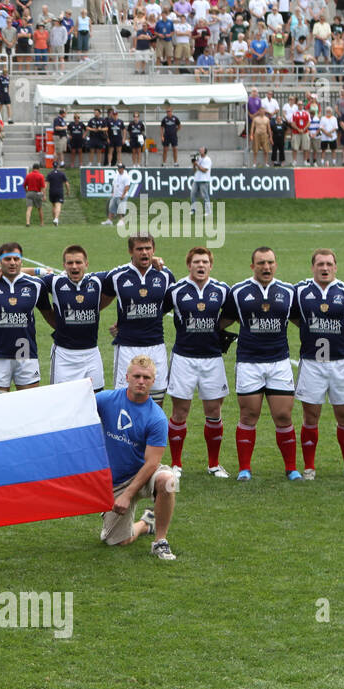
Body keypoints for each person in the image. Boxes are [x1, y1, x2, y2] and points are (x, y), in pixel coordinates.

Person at [219, 246, 301, 481]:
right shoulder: (238, 291)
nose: (266, 267)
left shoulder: (288, 292)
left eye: (270, 263)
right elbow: (223, 320)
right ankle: (245, 469)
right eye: (262, 263)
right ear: (252, 265)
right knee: (248, 415)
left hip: (279, 362)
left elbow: (300, 321)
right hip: (249, 362)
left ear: (276, 265)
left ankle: (291, 468)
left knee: (284, 416)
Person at [291, 249, 344, 480]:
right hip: (311, 363)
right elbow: (292, 316)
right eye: (320, 264)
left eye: (328, 264)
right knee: (310, 415)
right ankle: (309, 468)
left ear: (335, 267)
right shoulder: (299, 291)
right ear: (312, 267)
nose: (324, 268)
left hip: (340, 363)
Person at [96, 356, 179, 560]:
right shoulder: (106, 400)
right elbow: (77, 407)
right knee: (116, 541)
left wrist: (128, 495)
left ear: (153, 381)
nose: (141, 381)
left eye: (146, 377)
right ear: (127, 378)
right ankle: (146, 523)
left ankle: (160, 541)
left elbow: (152, 462)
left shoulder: (156, 418)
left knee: (168, 481)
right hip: (116, 480)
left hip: (143, 474)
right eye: (137, 376)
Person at [163, 246, 233, 478]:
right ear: (189, 265)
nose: (200, 266)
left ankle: (213, 464)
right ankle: (176, 464)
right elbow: (156, 313)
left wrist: (216, 328)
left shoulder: (222, 290)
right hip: (183, 357)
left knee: (213, 410)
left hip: (212, 358)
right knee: (180, 411)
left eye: (204, 262)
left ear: (210, 265)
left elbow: (233, 314)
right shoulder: (175, 290)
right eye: (196, 262)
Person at [101, 233, 175, 402]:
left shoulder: (165, 275)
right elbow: (99, 305)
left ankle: (151, 429)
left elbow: (167, 306)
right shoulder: (117, 276)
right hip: (127, 347)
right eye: (139, 249)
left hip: (156, 345)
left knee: (156, 400)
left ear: (154, 250)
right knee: (125, 399)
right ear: (130, 251)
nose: (144, 253)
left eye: (148, 248)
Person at [0, 242, 44, 392]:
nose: (13, 263)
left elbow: (50, 273)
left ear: (21, 260)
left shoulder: (36, 284)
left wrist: (36, 270)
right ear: (0, 261)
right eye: (7, 259)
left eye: (16, 259)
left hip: (27, 354)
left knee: (29, 407)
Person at [40, 245, 105, 390]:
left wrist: (154, 259)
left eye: (78, 262)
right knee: (62, 402)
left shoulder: (98, 281)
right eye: (70, 263)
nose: (74, 266)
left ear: (86, 264)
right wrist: (38, 271)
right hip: (64, 356)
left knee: (96, 401)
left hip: (92, 354)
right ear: (64, 265)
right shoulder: (55, 282)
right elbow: (21, 276)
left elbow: (126, 269)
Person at [46, 160, 69, 226]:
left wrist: (44, 193)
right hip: (59, 191)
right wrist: (68, 191)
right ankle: (56, 219)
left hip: (52, 191)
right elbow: (67, 184)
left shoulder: (50, 174)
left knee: (53, 206)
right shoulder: (62, 174)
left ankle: (55, 221)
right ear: (58, 166)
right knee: (58, 205)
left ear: (52, 166)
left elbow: (46, 184)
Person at [190, 147, 212, 216]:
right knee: (192, 194)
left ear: (205, 151)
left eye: (201, 150)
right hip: (196, 179)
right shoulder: (198, 159)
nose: (200, 150)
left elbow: (204, 170)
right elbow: (194, 170)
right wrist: (194, 164)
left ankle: (208, 211)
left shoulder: (208, 159)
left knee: (205, 196)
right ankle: (193, 209)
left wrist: (197, 164)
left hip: (204, 180)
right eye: (199, 149)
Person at [23, 162, 46, 226]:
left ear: (33, 168)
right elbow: (43, 187)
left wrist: (27, 191)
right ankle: (41, 223)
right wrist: (44, 195)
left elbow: (24, 185)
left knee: (29, 208)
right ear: (39, 169)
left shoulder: (28, 175)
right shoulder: (41, 176)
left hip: (29, 193)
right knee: (39, 209)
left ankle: (28, 222)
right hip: (37, 193)